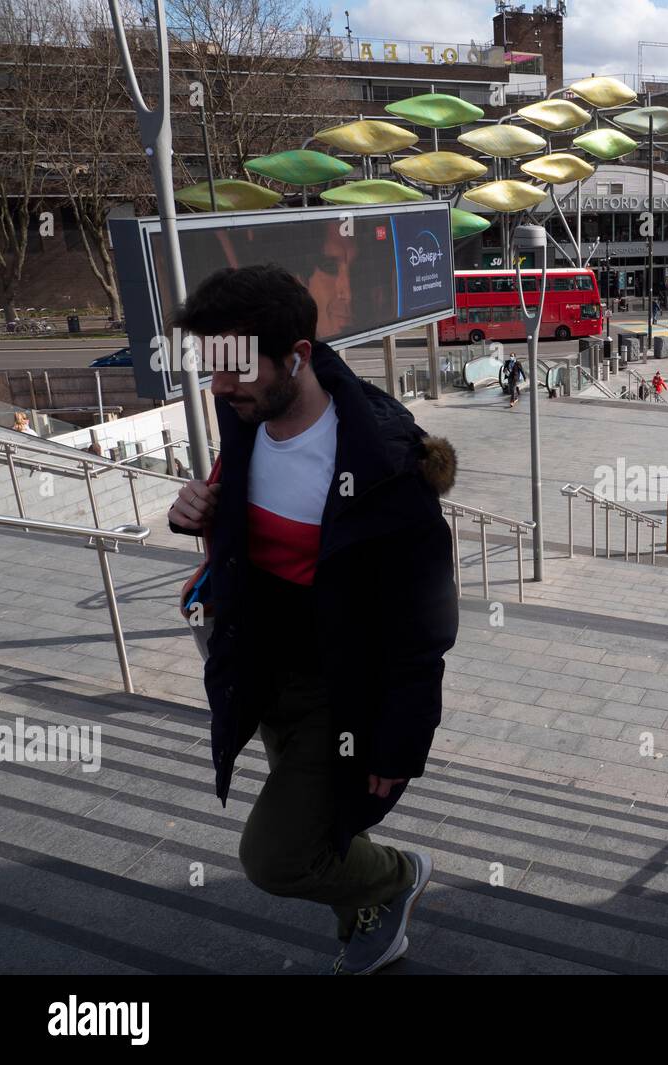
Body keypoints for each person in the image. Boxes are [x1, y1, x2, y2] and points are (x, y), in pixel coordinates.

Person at [165, 264, 456, 975]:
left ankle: (394, 876)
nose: (219, 387)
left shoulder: (385, 468)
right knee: (317, 830)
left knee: (276, 854)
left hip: (344, 692)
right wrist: (193, 514)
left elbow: (424, 628)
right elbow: (236, 513)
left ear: (295, 356)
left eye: (234, 368)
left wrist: (398, 745)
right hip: (264, 672)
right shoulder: (248, 421)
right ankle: (366, 909)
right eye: (211, 369)